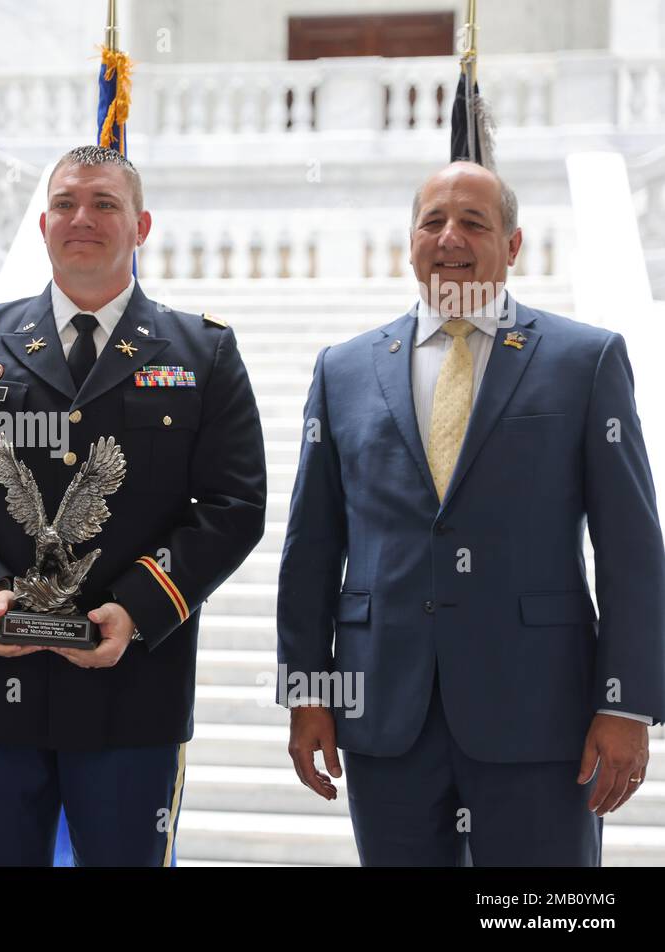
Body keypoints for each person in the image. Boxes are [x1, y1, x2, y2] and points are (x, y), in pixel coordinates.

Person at [278, 160, 665, 866]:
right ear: (410, 241)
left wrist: (627, 703)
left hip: (542, 717)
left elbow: (632, 549)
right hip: (383, 715)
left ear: (512, 245)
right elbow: (311, 547)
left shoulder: (587, 360)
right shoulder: (343, 370)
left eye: (474, 222)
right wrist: (306, 691)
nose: (449, 237)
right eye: (433, 221)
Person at [0, 145, 267, 865]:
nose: (82, 218)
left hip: (135, 694)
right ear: (43, 223)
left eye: (104, 204)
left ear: (141, 224)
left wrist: (139, 606)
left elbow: (234, 503)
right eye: (65, 203)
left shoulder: (202, 352)